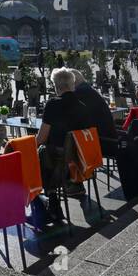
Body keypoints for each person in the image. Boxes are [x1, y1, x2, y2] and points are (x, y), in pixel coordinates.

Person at [35, 68, 94, 222]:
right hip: (78, 164)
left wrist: (29, 147)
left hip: (57, 164)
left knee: (39, 153)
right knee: (46, 155)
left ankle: (49, 199)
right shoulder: (83, 106)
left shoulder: (53, 104)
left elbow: (41, 138)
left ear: (56, 86)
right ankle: (52, 199)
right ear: (72, 84)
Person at [69, 69, 117, 145]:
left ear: (72, 82)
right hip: (108, 135)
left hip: (102, 140)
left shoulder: (80, 92)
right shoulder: (87, 89)